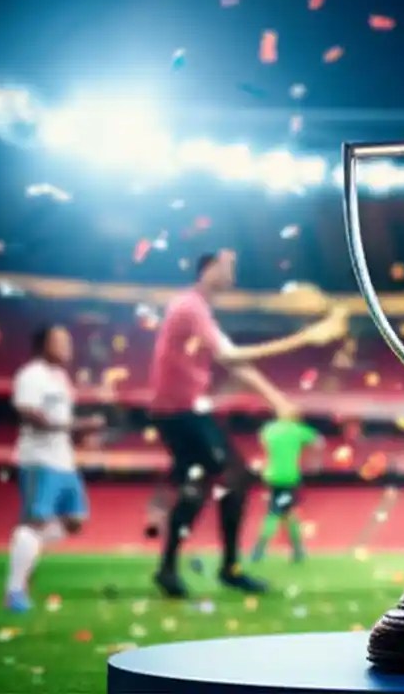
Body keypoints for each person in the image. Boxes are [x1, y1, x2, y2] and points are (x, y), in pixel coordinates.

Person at [149, 249, 345, 598]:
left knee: (200, 486)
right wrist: (303, 338)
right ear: (207, 268)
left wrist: (276, 399)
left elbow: (233, 362)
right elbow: (228, 356)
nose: (233, 277)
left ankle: (175, 568)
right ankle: (227, 568)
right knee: (233, 478)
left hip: (181, 412)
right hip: (181, 411)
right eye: (228, 268)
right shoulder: (190, 306)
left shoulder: (197, 309)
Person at [5, 325, 104, 612]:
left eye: (68, 342)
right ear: (43, 344)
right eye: (61, 341)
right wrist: (77, 425)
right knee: (34, 521)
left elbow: (61, 423)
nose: (67, 348)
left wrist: (83, 434)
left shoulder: (61, 378)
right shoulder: (30, 375)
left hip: (64, 460)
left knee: (74, 520)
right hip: (38, 459)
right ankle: (14, 591)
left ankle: (26, 558)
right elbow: (29, 415)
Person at [251, 415, 325, 563]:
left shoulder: (269, 429)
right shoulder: (297, 430)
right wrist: (313, 459)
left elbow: (262, 441)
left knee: (288, 512)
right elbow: (319, 441)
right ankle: (260, 549)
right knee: (276, 512)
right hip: (288, 478)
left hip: (272, 476)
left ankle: (297, 550)